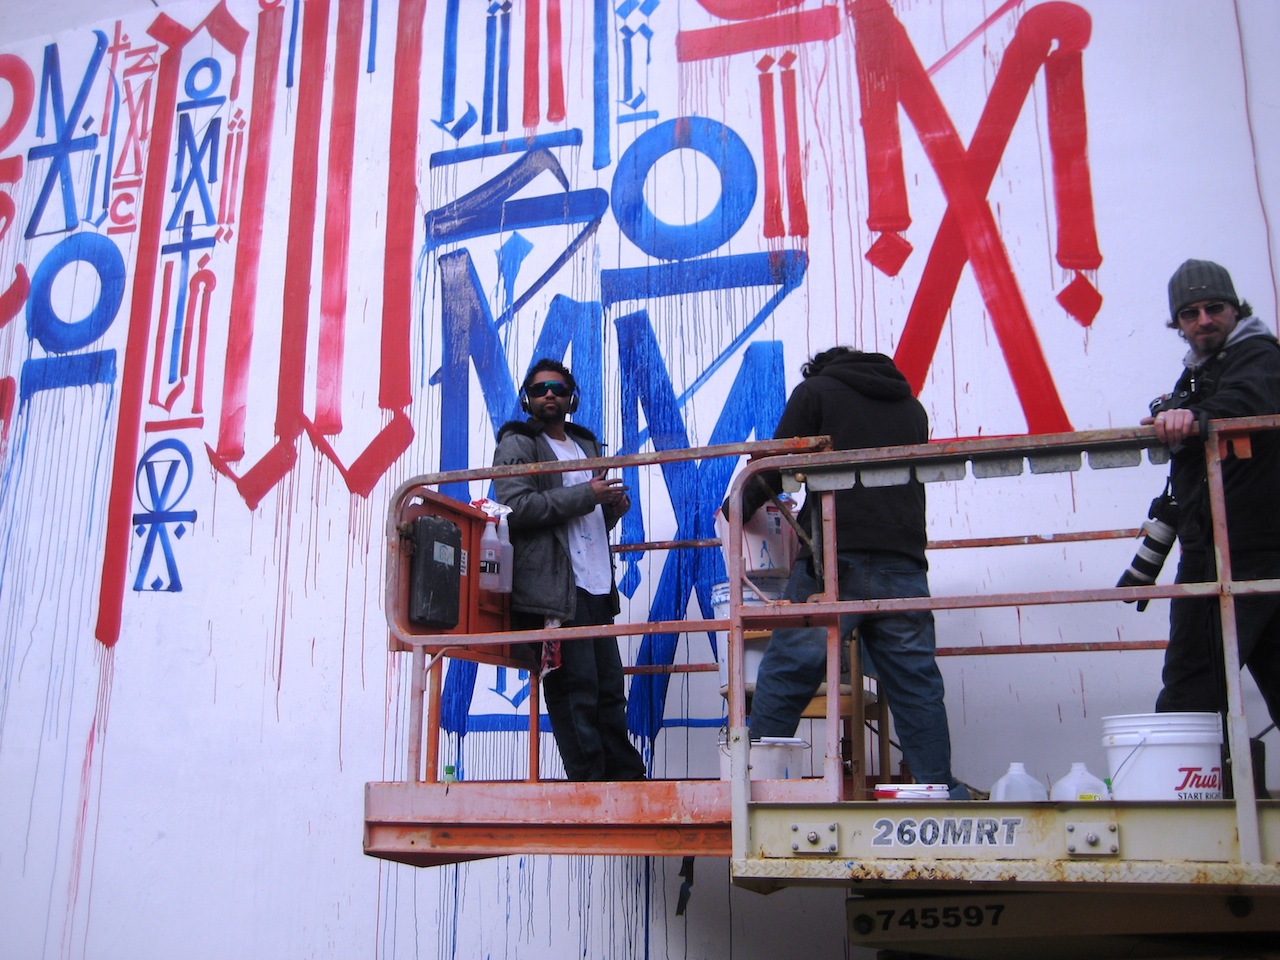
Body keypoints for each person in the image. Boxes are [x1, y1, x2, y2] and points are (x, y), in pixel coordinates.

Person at [736, 347, 968, 798]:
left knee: (787, 672)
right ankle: (939, 789)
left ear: (821, 369)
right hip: (902, 561)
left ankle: (754, 788)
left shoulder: (815, 393)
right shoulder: (912, 408)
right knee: (916, 684)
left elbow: (770, 467)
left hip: (831, 560)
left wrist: (736, 510)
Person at [493, 359, 647, 781]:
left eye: (558, 389)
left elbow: (585, 519)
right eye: (540, 389)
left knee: (609, 691)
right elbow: (516, 507)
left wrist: (611, 510)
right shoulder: (519, 442)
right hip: (557, 593)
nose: (549, 395)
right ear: (527, 398)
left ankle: (626, 779)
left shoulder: (585, 445)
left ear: (571, 398)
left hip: (596, 586)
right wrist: (587, 495)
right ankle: (591, 785)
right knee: (575, 692)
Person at [1143, 259, 1280, 730]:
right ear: (1178, 323)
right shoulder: (1206, 368)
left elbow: (1250, 400)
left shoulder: (1257, 354)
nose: (1203, 320)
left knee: (1190, 688)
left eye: (1214, 308)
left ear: (1236, 309)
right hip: (1238, 548)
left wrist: (1193, 416)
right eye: (1190, 313)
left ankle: (1182, 775)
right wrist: (1178, 408)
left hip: (1232, 552)